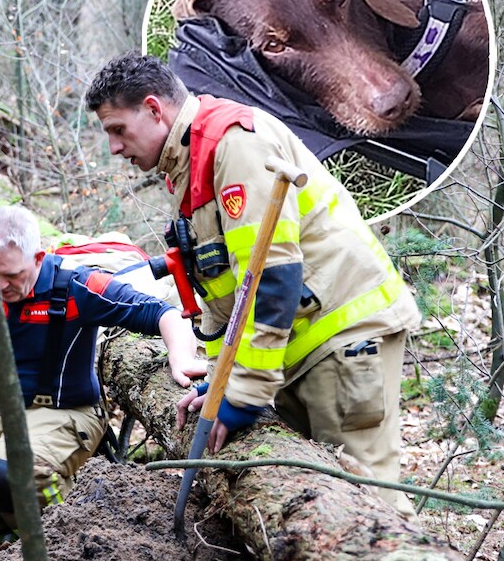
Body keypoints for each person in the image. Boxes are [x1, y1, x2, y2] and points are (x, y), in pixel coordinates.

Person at [85, 53, 421, 514]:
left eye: (117, 130)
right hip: (298, 344)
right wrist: (225, 375)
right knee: (308, 501)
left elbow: (272, 280)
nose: (114, 148)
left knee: (363, 503)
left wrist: (243, 392)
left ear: (153, 109)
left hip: (343, 335)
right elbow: (231, 289)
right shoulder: (190, 159)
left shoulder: (235, 144)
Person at [0, 205, 197, 536]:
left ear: (38, 258)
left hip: (65, 411)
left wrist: (181, 358)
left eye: (11, 276)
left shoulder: (74, 284)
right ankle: (14, 528)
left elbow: (162, 313)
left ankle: (61, 529)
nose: (0, 286)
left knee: (9, 471)